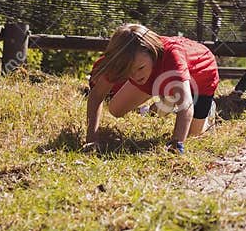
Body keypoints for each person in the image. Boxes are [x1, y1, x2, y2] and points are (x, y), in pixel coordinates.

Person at [84, 23, 218, 154]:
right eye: (129, 71)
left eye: (140, 68)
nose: (135, 76)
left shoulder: (172, 55)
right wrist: (91, 140)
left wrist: (176, 145)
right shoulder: (123, 58)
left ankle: (206, 111)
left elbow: (186, 105)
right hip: (161, 77)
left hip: (200, 80)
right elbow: (96, 96)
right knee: (115, 109)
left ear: (152, 51)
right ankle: (168, 98)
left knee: (194, 134)